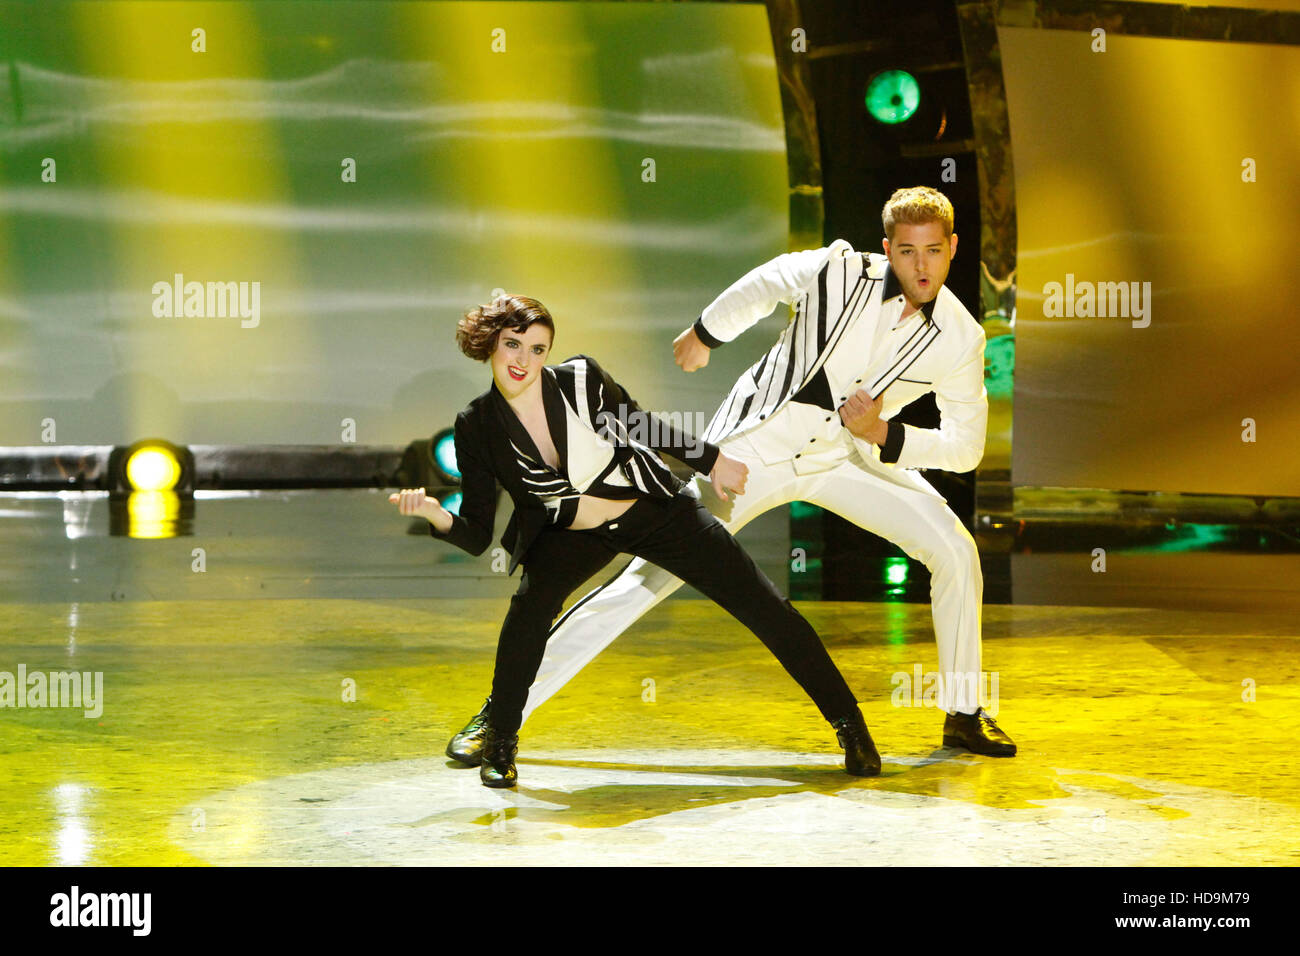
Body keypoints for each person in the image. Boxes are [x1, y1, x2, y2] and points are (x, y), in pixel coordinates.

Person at [446, 186, 1016, 763]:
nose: (921, 265)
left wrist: (887, 436)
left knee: (955, 549)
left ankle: (964, 714)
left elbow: (965, 448)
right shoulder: (837, 268)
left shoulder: (962, 338)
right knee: (643, 582)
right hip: (754, 449)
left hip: (846, 458)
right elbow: (768, 282)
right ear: (887, 247)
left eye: (934, 251)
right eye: (908, 251)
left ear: (953, 249)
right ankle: (502, 713)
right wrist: (706, 332)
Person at [391, 294, 880, 788]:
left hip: (653, 511)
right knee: (527, 614)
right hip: (572, 532)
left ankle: (850, 726)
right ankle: (500, 740)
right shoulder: (476, 425)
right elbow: (476, 534)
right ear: (490, 345)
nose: (524, 360)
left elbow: (643, 424)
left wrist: (712, 461)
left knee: (764, 605)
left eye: (538, 349)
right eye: (512, 345)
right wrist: (436, 514)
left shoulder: (579, 380)